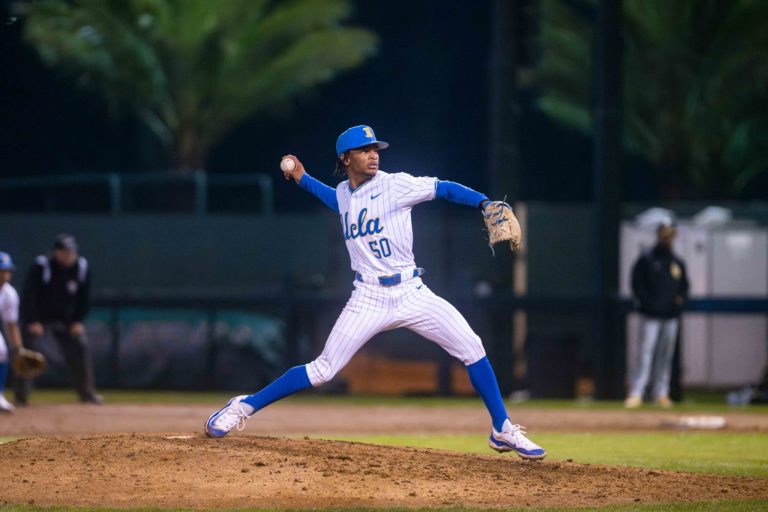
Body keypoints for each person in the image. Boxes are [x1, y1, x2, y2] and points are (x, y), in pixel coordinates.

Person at [205, 125, 546, 460]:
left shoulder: (396, 185)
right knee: (323, 370)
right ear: (346, 158)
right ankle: (243, 406)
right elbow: (333, 199)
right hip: (368, 297)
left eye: (375, 150)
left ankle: (501, 428)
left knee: (472, 347)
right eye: (364, 150)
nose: (373, 155)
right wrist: (302, 178)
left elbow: (443, 188)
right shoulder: (343, 193)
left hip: (413, 292)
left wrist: (483, 202)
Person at [15, 234, 102, 405]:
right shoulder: (42, 265)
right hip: (38, 318)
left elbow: (84, 299)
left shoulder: (81, 267)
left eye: (71, 252)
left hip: (65, 319)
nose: (68, 255)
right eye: (64, 251)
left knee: (80, 346)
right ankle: (21, 396)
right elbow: (29, 294)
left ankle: (87, 393)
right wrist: (32, 320)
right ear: (56, 252)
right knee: (25, 354)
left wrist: (78, 321)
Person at [625, 222, 689, 409]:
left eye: (670, 236)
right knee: (644, 354)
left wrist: (678, 305)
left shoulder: (677, 262)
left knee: (665, 356)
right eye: (664, 235)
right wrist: (647, 304)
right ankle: (637, 392)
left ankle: (661, 393)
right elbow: (637, 284)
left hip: (670, 317)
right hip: (650, 316)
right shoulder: (647, 259)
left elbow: (684, 288)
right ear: (659, 236)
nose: (667, 239)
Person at [0, 252, 22, 412]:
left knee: (2, 351)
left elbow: (12, 324)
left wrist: (18, 348)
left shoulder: (9, 294)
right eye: (1, 270)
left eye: (7, 270)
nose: (5, 274)